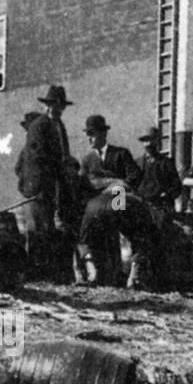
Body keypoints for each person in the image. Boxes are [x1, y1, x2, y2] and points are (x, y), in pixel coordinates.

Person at [76, 114, 142, 285]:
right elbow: (84, 184)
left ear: (103, 134)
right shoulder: (87, 160)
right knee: (90, 231)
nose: (89, 138)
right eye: (87, 134)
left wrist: (115, 185)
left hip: (119, 198)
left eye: (93, 134)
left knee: (119, 224)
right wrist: (112, 182)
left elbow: (133, 178)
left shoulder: (121, 154)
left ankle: (124, 273)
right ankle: (96, 273)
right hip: (97, 203)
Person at [17, 85, 75, 254]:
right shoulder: (38, 126)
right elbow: (35, 158)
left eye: (58, 106)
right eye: (51, 105)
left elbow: (64, 152)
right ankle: (39, 272)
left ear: (63, 107)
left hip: (56, 182)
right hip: (40, 185)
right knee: (38, 227)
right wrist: (41, 183)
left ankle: (52, 269)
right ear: (46, 106)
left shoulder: (60, 126)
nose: (54, 109)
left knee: (52, 225)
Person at [134, 125, 182, 229]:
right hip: (142, 207)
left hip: (161, 207)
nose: (148, 144)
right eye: (145, 141)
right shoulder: (137, 163)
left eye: (150, 140)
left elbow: (177, 186)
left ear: (156, 141)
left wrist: (167, 195)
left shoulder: (166, 163)